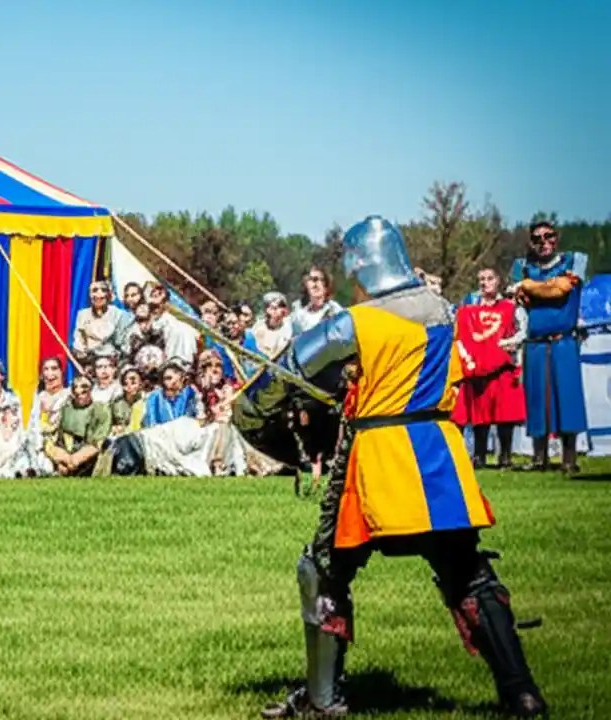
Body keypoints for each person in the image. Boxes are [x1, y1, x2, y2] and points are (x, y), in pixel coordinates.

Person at [238, 216, 545, 719]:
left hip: (379, 457)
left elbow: (288, 368)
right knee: (469, 574)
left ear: (359, 265)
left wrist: (248, 412)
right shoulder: (443, 311)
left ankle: (323, 700)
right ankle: (522, 694)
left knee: (322, 571)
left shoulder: (355, 322)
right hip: (439, 454)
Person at [510, 220, 588, 473]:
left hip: (563, 339)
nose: (543, 242)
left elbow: (560, 291)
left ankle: (569, 459)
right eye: (537, 238)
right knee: (537, 399)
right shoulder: (521, 267)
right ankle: (539, 458)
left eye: (548, 236)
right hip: (535, 342)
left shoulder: (574, 261)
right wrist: (538, 287)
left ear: (557, 237)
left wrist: (531, 286)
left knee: (567, 397)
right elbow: (520, 298)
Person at [453, 268, 527, 468]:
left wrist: (510, 344)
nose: (485, 283)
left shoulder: (510, 307)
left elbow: (523, 331)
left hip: (502, 367)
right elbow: (461, 334)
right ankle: (479, 455)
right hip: (478, 370)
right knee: (480, 415)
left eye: (489, 279)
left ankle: (505, 456)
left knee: (505, 415)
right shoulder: (469, 309)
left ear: (498, 281)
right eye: (481, 279)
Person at [43, 375, 112, 477]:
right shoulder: (65, 408)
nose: (79, 391)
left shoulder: (101, 410)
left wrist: (74, 460)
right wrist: (64, 459)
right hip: (66, 452)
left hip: (90, 454)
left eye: (84, 389)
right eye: (75, 388)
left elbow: (97, 442)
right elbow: (55, 437)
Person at [72, 281, 127, 365]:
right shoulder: (82, 315)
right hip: (89, 361)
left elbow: (122, 341)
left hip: (113, 361)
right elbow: (79, 340)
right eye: (95, 290)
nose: (99, 294)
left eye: (103, 290)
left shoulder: (118, 314)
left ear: (109, 295)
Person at [141, 359, 197, 428]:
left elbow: (192, 419)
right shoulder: (154, 397)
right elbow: (152, 422)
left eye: (170, 378)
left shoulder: (189, 393)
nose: (169, 382)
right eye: (167, 378)